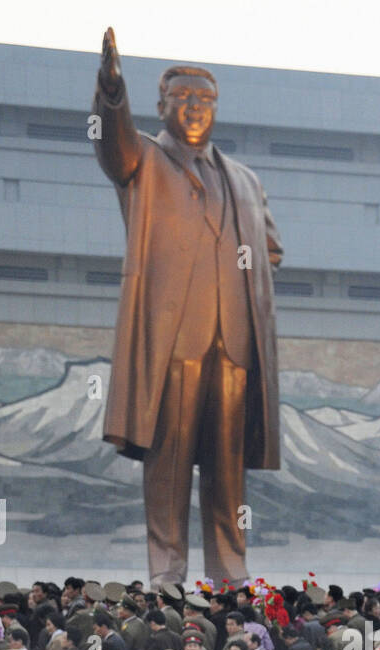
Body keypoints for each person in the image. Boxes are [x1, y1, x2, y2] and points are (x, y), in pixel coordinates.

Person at [92, 30, 282, 586]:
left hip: (234, 344)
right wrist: (110, 91)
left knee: (228, 475)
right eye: (184, 98)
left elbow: (271, 249)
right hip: (173, 342)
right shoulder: (143, 161)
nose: (196, 107)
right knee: (169, 468)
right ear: (162, 106)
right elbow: (112, 142)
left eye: (206, 99)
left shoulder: (244, 179)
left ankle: (230, 575)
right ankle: (167, 576)